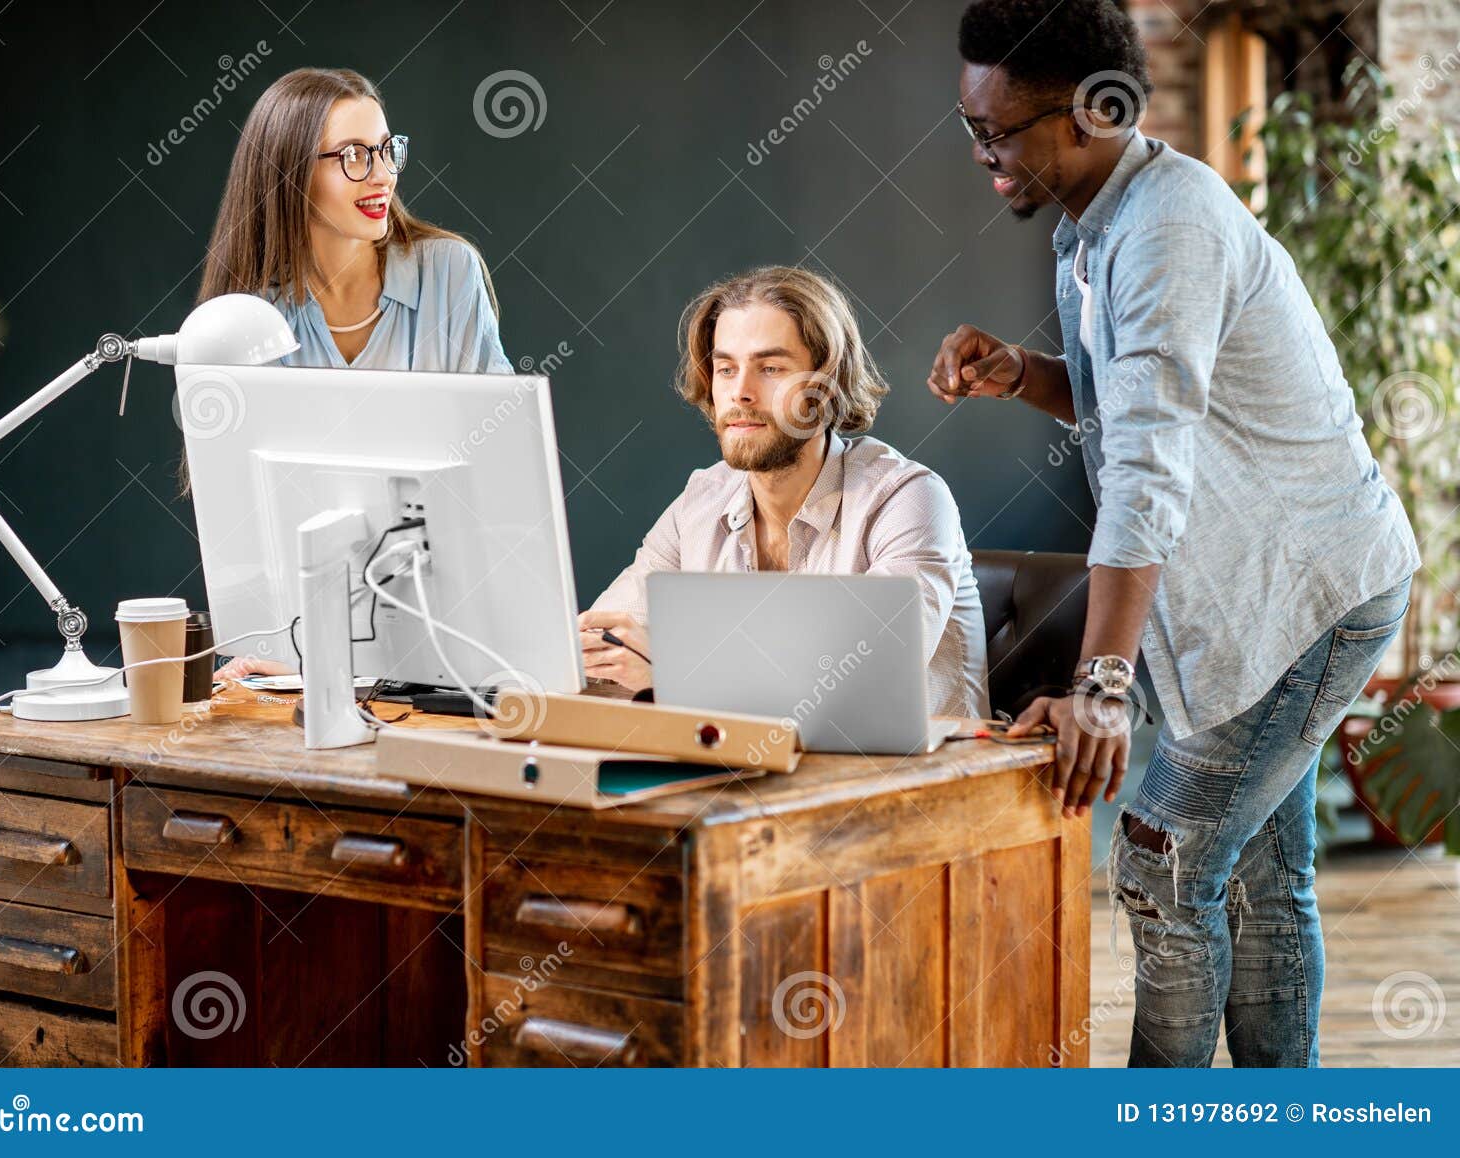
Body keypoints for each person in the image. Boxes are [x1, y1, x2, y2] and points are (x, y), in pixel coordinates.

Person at [934, 0, 1418, 1066]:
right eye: (972, 127)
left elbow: (1147, 473)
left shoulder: (1169, 229)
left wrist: (1103, 687)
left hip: (1307, 591)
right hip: (1249, 587)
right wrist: (1025, 375)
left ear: (1092, 112)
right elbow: (1140, 408)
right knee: (1248, 875)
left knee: (1157, 857)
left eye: (999, 130)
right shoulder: (1093, 230)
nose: (982, 153)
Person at [205, 67, 511, 681]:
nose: (382, 174)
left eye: (385, 149)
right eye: (352, 155)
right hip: (298, 636)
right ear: (290, 174)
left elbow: (501, 462)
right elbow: (237, 509)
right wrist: (269, 639)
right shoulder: (245, 318)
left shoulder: (449, 272)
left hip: (453, 620)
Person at [581, 266, 989, 720]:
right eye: (725, 369)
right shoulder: (702, 499)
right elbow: (599, 649)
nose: (740, 393)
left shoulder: (907, 498)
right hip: (759, 778)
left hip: (916, 784)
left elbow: (869, 676)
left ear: (826, 383)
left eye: (770, 368)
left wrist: (678, 670)